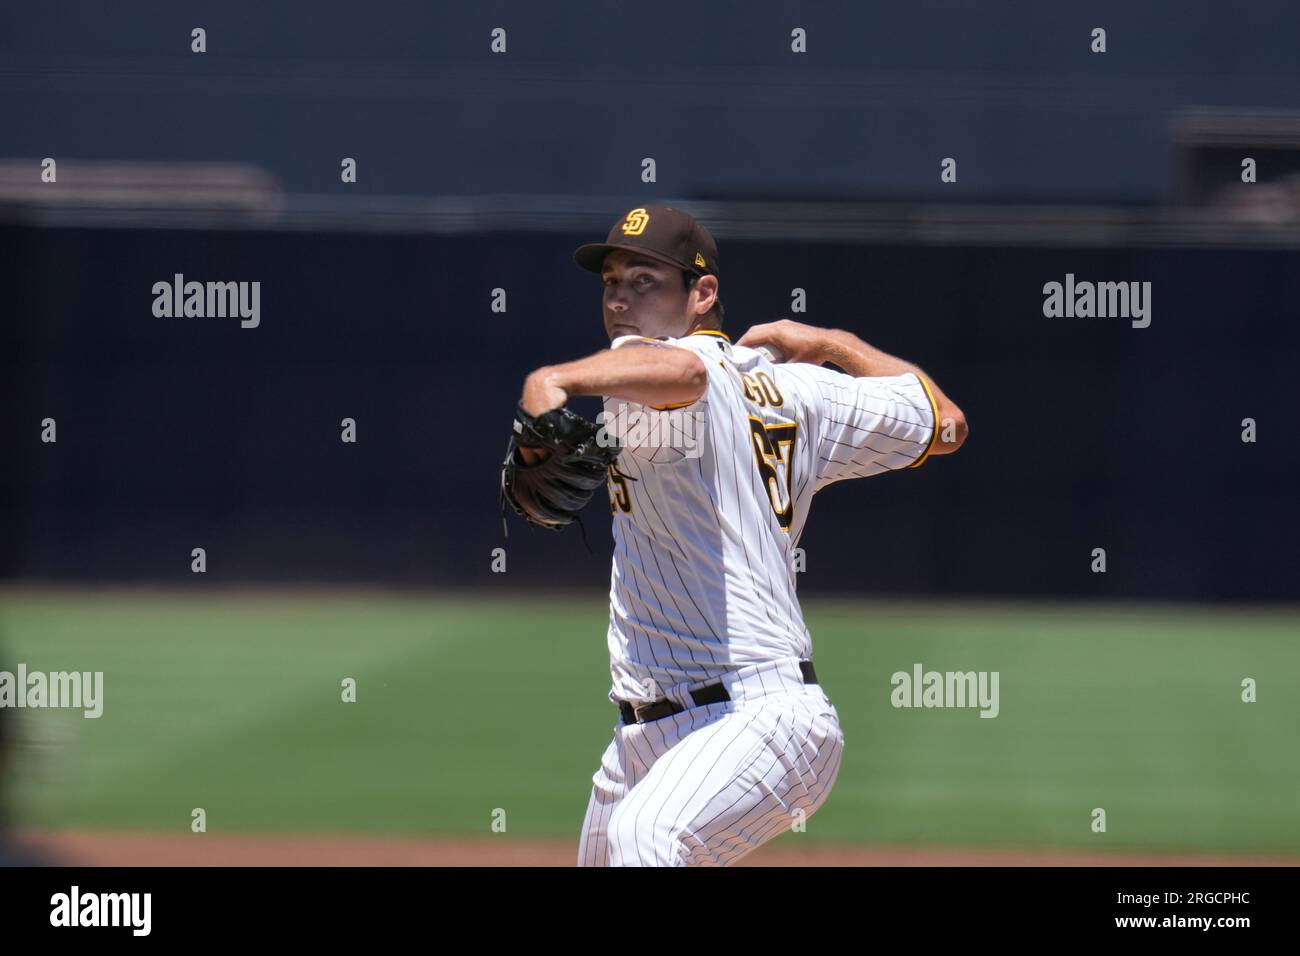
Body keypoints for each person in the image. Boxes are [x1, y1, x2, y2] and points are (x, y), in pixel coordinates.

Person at [517, 204, 968, 866]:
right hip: (655, 733)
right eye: (611, 281)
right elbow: (944, 420)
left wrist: (552, 378)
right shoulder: (798, 390)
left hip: (756, 714)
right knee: (623, 845)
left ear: (703, 295)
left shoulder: (662, 363)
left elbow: (691, 375)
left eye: (645, 281)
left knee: (647, 839)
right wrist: (834, 346)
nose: (619, 298)